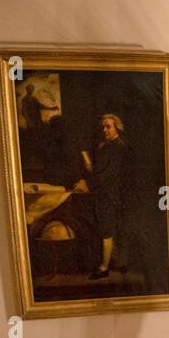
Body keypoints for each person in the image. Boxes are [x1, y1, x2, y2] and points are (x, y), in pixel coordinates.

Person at [73, 113, 130, 280]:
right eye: (103, 127)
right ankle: (117, 262)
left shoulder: (119, 146)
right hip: (102, 194)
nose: (104, 129)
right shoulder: (104, 145)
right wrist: (87, 165)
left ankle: (104, 268)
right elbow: (98, 171)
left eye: (108, 126)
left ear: (117, 128)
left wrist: (88, 184)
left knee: (107, 231)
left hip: (111, 195)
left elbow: (108, 174)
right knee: (106, 230)